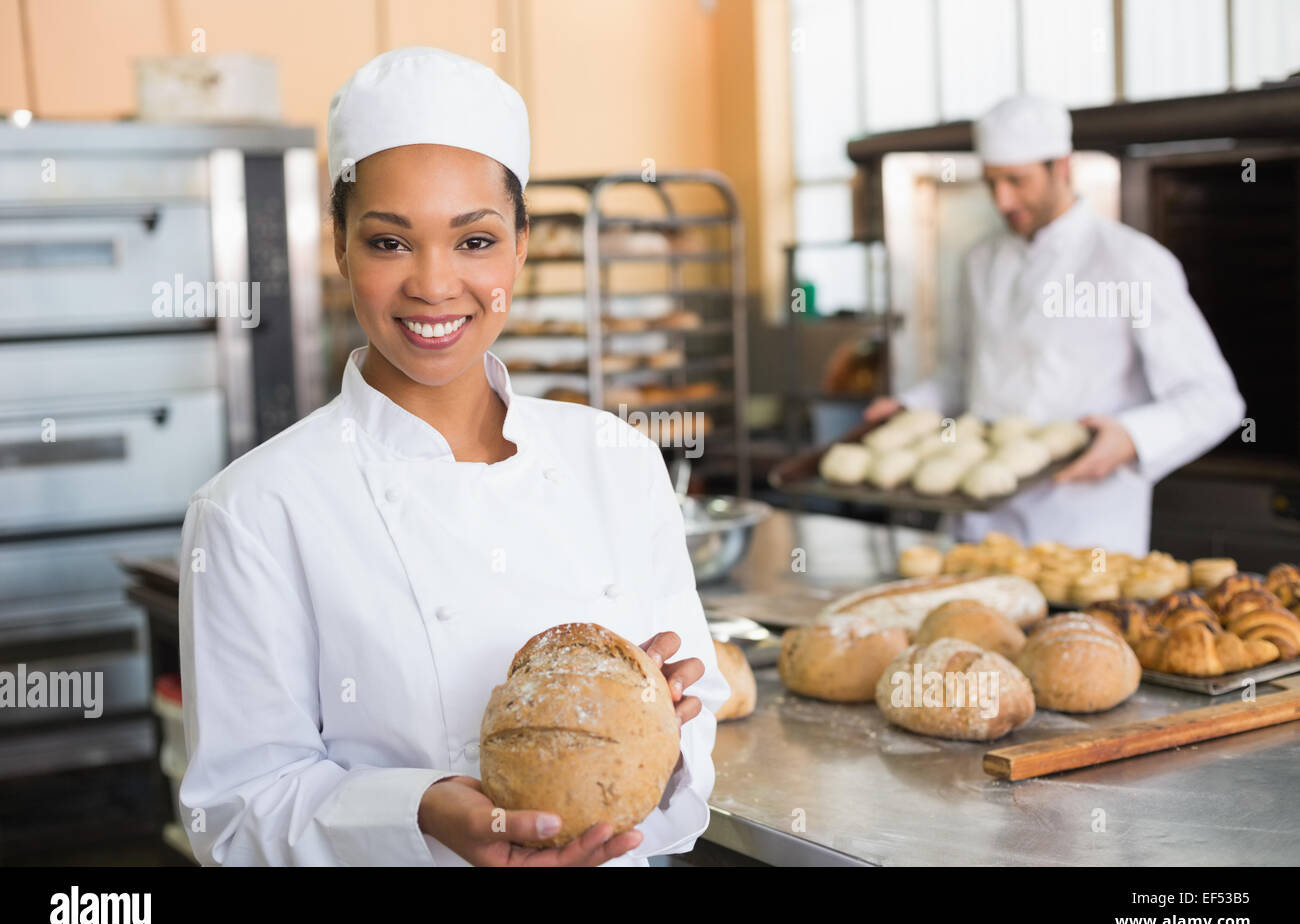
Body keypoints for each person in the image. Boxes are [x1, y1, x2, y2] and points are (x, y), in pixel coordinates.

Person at [177, 46, 729, 867]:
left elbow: (700, 727)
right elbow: (233, 811)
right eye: (390, 243)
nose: (435, 286)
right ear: (338, 244)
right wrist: (422, 813)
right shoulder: (255, 509)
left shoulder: (614, 458)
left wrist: (657, 727)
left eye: (474, 241)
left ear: (521, 247)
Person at [864, 94, 1244, 554]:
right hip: (981, 529)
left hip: (1082, 533)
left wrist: (1131, 438)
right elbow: (963, 371)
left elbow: (1213, 399)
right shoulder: (980, 261)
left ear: (1062, 167)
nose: (1003, 200)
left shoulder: (1129, 261)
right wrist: (910, 406)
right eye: (991, 183)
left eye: (1017, 181)